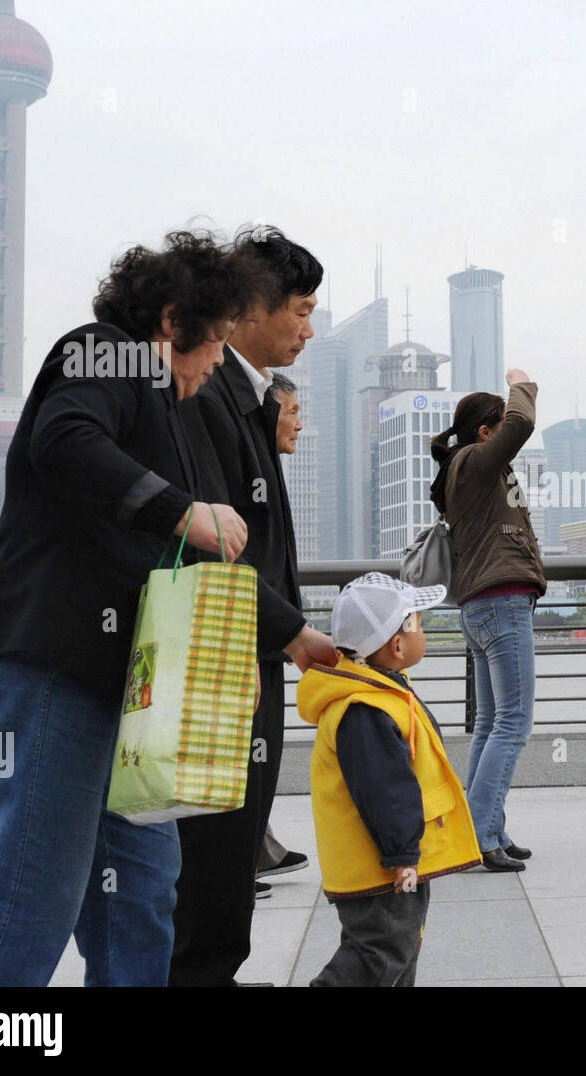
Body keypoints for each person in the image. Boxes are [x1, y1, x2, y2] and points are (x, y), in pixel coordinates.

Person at [0, 231, 255, 986]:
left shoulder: (163, 404)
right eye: (213, 343)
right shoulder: (106, 350)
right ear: (172, 319)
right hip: (52, 664)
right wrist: (184, 511)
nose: (216, 363)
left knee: (140, 897)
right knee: (30, 897)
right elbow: (65, 439)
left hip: (121, 689)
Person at [173, 227, 337, 986]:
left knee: (233, 844)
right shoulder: (210, 393)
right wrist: (293, 631)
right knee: (215, 847)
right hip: (226, 656)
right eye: (301, 310)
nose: (308, 328)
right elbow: (222, 544)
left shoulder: (252, 397)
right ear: (248, 311)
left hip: (253, 647)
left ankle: (215, 972)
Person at [298, 573, 480, 986]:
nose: (424, 631)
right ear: (397, 645)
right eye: (418, 623)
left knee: (399, 950)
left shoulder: (382, 693)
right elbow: (386, 791)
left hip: (389, 862)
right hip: (380, 869)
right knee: (378, 955)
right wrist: (402, 855)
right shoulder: (366, 710)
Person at [429, 370, 546, 872]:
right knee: (512, 723)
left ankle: (484, 826)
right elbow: (520, 422)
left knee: (489, 724)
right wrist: (523, 383)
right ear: (485, 432)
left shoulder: (468, 467)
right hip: (501, 602)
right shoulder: (477, 462)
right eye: (496, 428)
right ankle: (480, 832)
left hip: (482, 605)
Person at [255, 371, 310, 882]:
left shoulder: (268, 465)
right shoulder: (248, 460)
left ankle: (255, 850)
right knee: (248, 755)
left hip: (271, 634)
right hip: (253, 633)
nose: (299, 424)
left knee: (262, 757)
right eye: (292, 412)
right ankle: (244, 859)